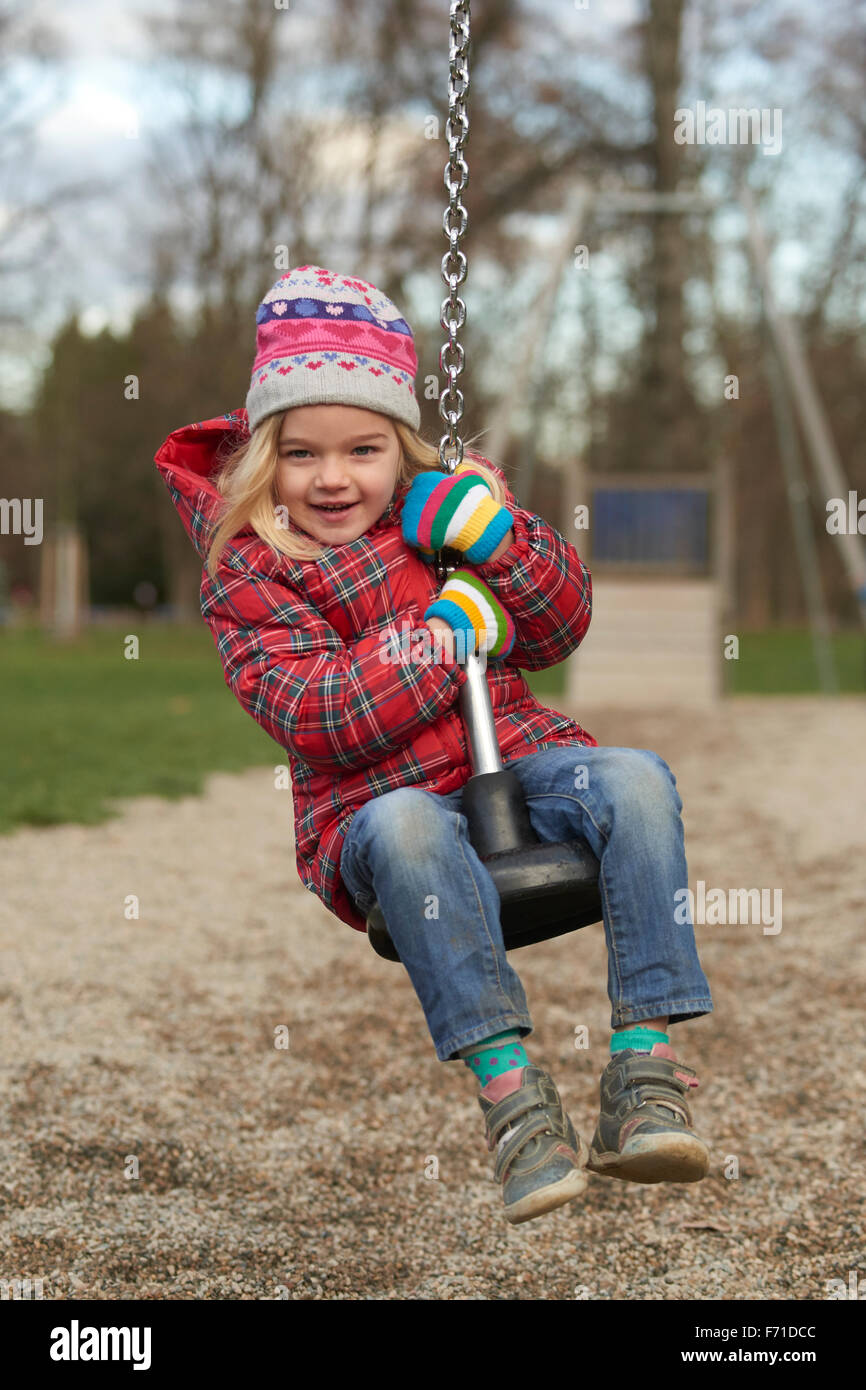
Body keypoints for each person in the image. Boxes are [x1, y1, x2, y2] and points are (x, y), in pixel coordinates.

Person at [154, 264, 714, 1226]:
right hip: (377, 814)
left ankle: (642, 1076)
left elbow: (560, 627)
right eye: (302, 455)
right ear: (262, 460)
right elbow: (321, 716)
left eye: (364, 449)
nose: (334, 479)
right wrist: (441, 634)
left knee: (633, 778)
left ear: (399, 445)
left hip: (517, 767)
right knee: (412, 823)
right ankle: (514, 1105)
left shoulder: (449, 514)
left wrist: (496, 543)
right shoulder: (249, 568)